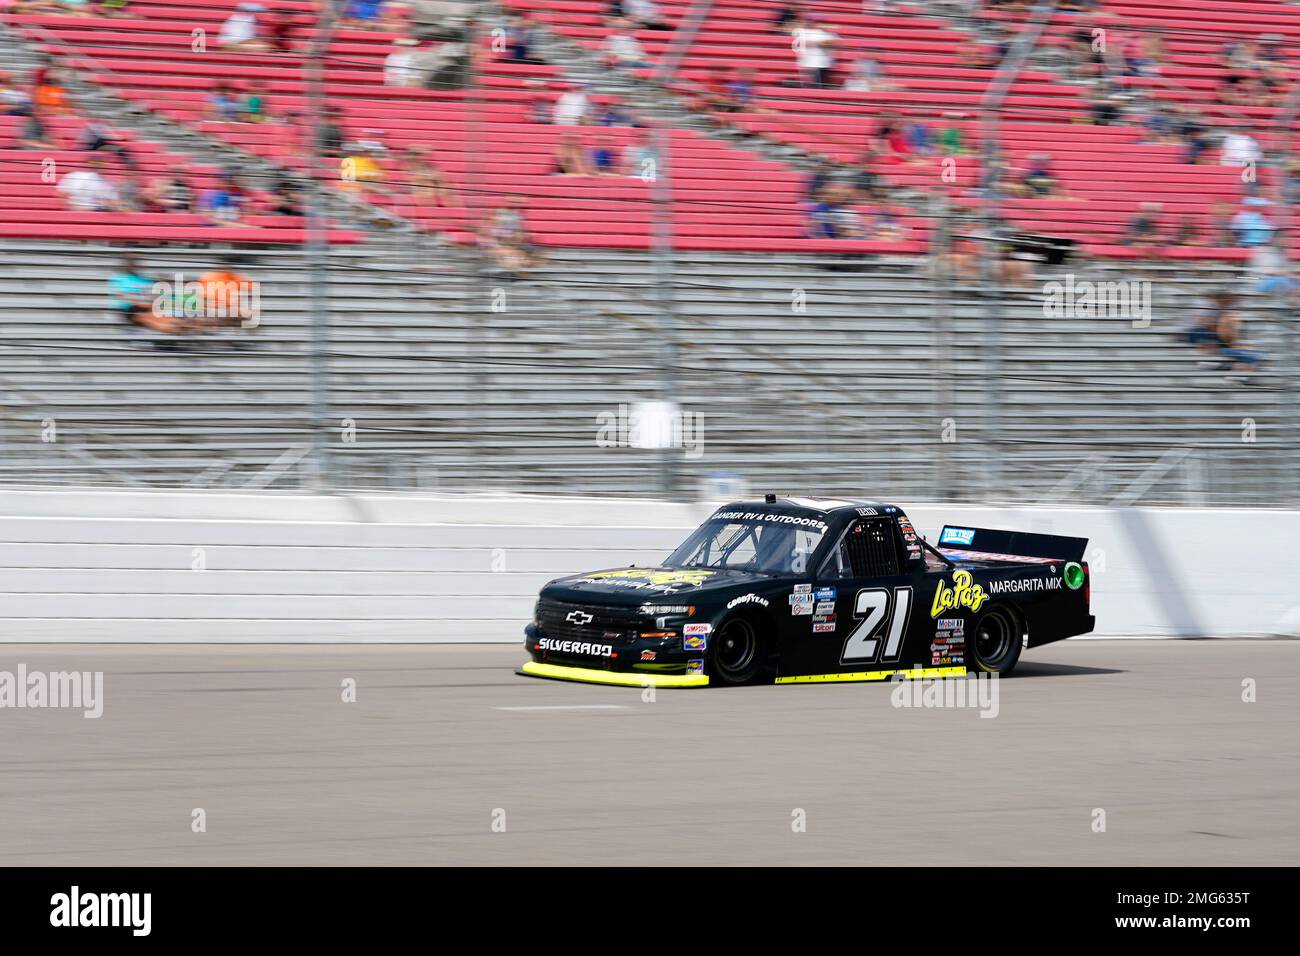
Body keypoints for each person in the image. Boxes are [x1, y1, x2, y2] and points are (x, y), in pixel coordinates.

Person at [483, 196, 543, 272]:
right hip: (506, 242)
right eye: (515, 203)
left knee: (532, 251)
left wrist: (521, 235)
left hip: (513, 241)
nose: (518, 205)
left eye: (518, 203)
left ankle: (528, 264)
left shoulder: (516, 214)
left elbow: (519, 229)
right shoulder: (500, 215)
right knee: (514, 254)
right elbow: (498, 233)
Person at [58, 160, 123, 211]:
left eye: (101, 163)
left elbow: (113, 203)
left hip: (96, 212)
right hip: (76, 211)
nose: (98, 166)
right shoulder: (74, 175)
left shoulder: (109, 183)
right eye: (96, 163)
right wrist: (73, 207)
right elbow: (62, 194)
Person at [792, 15, 836, 88]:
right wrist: (820, 43)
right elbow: (802, 43)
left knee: (819, 87)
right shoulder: (805, 32)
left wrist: (815, 43)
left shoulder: (828, 33)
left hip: (822, 64)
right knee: (810, 86)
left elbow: (831, 43)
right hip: (809, 64)